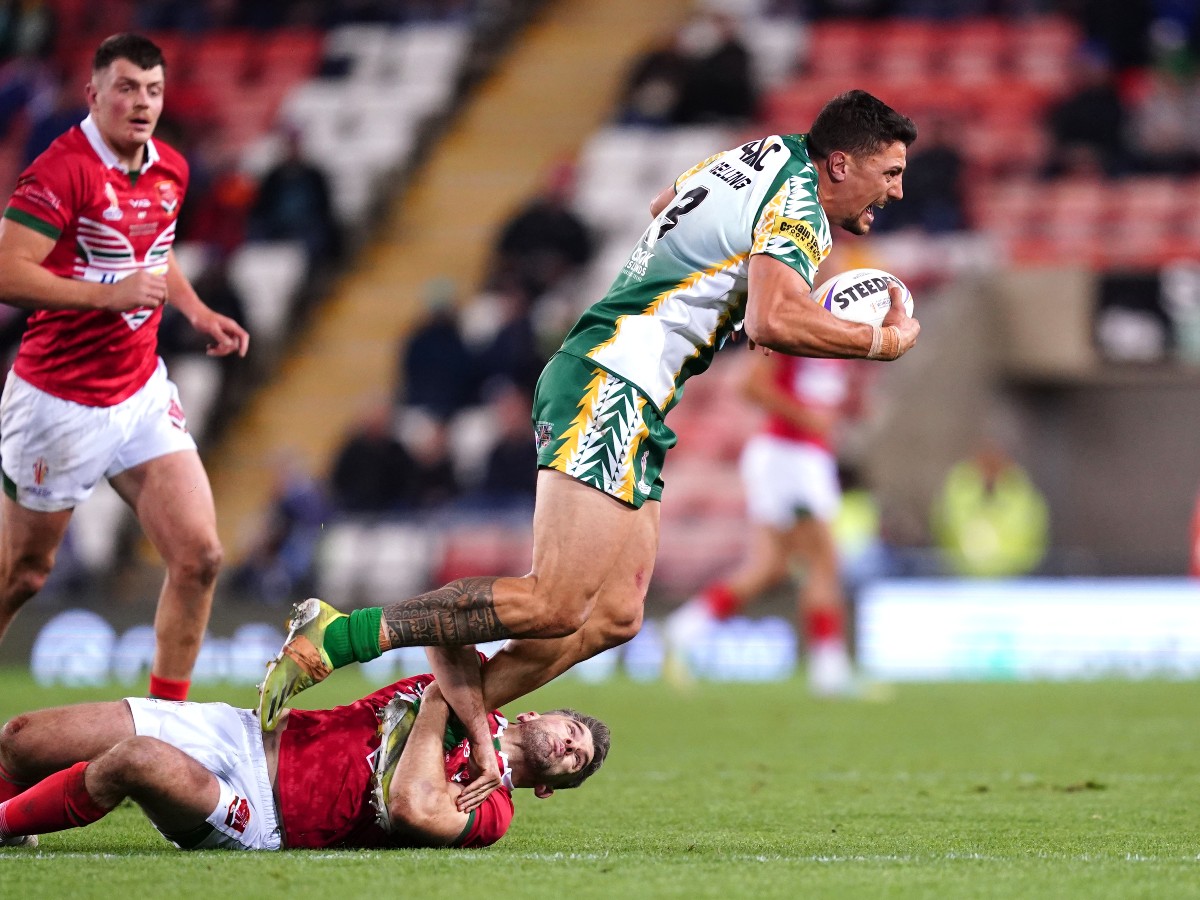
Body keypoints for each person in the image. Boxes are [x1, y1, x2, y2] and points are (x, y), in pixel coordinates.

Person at [259, 90, 921, 792]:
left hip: (632, 385)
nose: (899, 189)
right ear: (841, 163)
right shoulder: (801, 206)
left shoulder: (766, 153)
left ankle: (444, 719)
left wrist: (716, 288)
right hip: (614, 378)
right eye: (890, 173)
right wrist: (878, 341)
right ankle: (341, 634)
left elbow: (666, 200)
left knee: (614, 616)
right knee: (553, 602)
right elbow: (771, 321)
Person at [0, 34, 250, 701]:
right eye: (127, 88)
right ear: (94, 94)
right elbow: (8, 272)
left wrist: (195, 310)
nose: (142, 103)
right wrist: (108, 296)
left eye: (153, 90)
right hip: (58, 401)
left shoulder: (170, 166)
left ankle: (164, 731)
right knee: (23, 574)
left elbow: (155, 251)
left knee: (200, 557)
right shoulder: (60, 170)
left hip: (138, 390)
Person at [0, 670, 610, 851]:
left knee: (136, 760)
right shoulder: (461, 688)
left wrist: (433, 709)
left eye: (576, 759)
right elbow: (454, 623)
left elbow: (412, 806)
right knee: (21, 737)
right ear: (533, 715)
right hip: (242, 730)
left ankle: (6, 824)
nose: (570, 745)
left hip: (258, 813)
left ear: (552, 789)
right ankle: (19, 817)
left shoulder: (494, 810)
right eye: (573, 728)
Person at [665, 351, 867, 698]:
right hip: (793, 456)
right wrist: (807, 418)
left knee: (770, 567)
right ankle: (829, 671)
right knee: (823, 560)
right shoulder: (796, 333)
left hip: (795, 457)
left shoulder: (838, 339)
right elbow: (750, 385)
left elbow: (824, 397)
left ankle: (684, 628)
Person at [931, 438, 1050, 579]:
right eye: (985, 459)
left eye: (996, 459)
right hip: (961, 581)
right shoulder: (958, 486)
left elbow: (1033, 536)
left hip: (1014, 581)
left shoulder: (1021, 491)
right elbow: (945, 527)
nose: (990, 465)